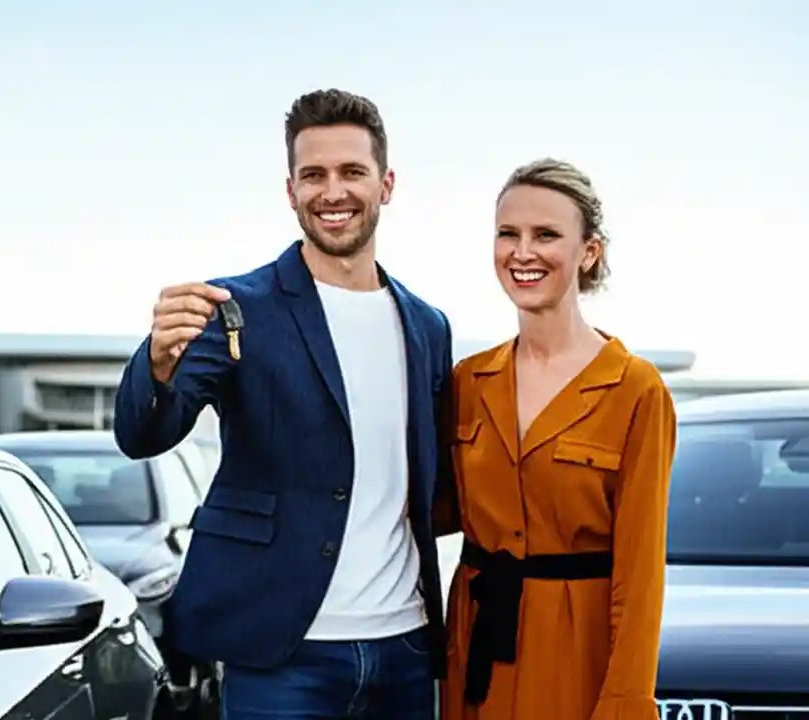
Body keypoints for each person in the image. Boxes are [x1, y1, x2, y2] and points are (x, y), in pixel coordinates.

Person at [113, 88, 456, 720]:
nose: (333, 191)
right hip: (283, 653)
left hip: (405, 648)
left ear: (386, 184)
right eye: (313, 175)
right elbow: (143, 434)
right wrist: (157, 363)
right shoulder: (235, 309)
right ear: (291, 190)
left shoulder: (427, 327)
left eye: (352, 172)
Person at [439, 158, 677, 719]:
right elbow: (423, 511)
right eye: (508, 234)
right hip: (478, 659)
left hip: (579, 663)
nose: (523, 252)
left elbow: (640, 580)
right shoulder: (467, 381)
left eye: (546, 234)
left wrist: (624, 705)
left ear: (588, 251)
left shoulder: (635, 390)